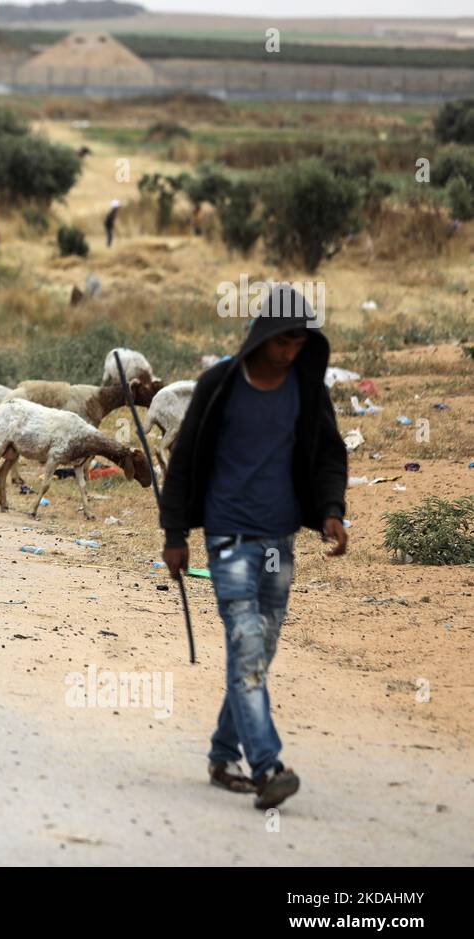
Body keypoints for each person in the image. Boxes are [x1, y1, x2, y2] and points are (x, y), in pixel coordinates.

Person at [159, 284, 348, 811]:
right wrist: (175, 536)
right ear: (263, 335)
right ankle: (268, 767)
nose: (291, 351)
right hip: (228, 538)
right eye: (284, 341)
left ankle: (223, 755)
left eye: (299, 343)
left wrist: (331, 510)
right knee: (245, 643)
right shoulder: (221, 385)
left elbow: (329, 454)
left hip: (279, 544)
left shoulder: (307, 390)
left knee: (256, 653)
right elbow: (185, 461)